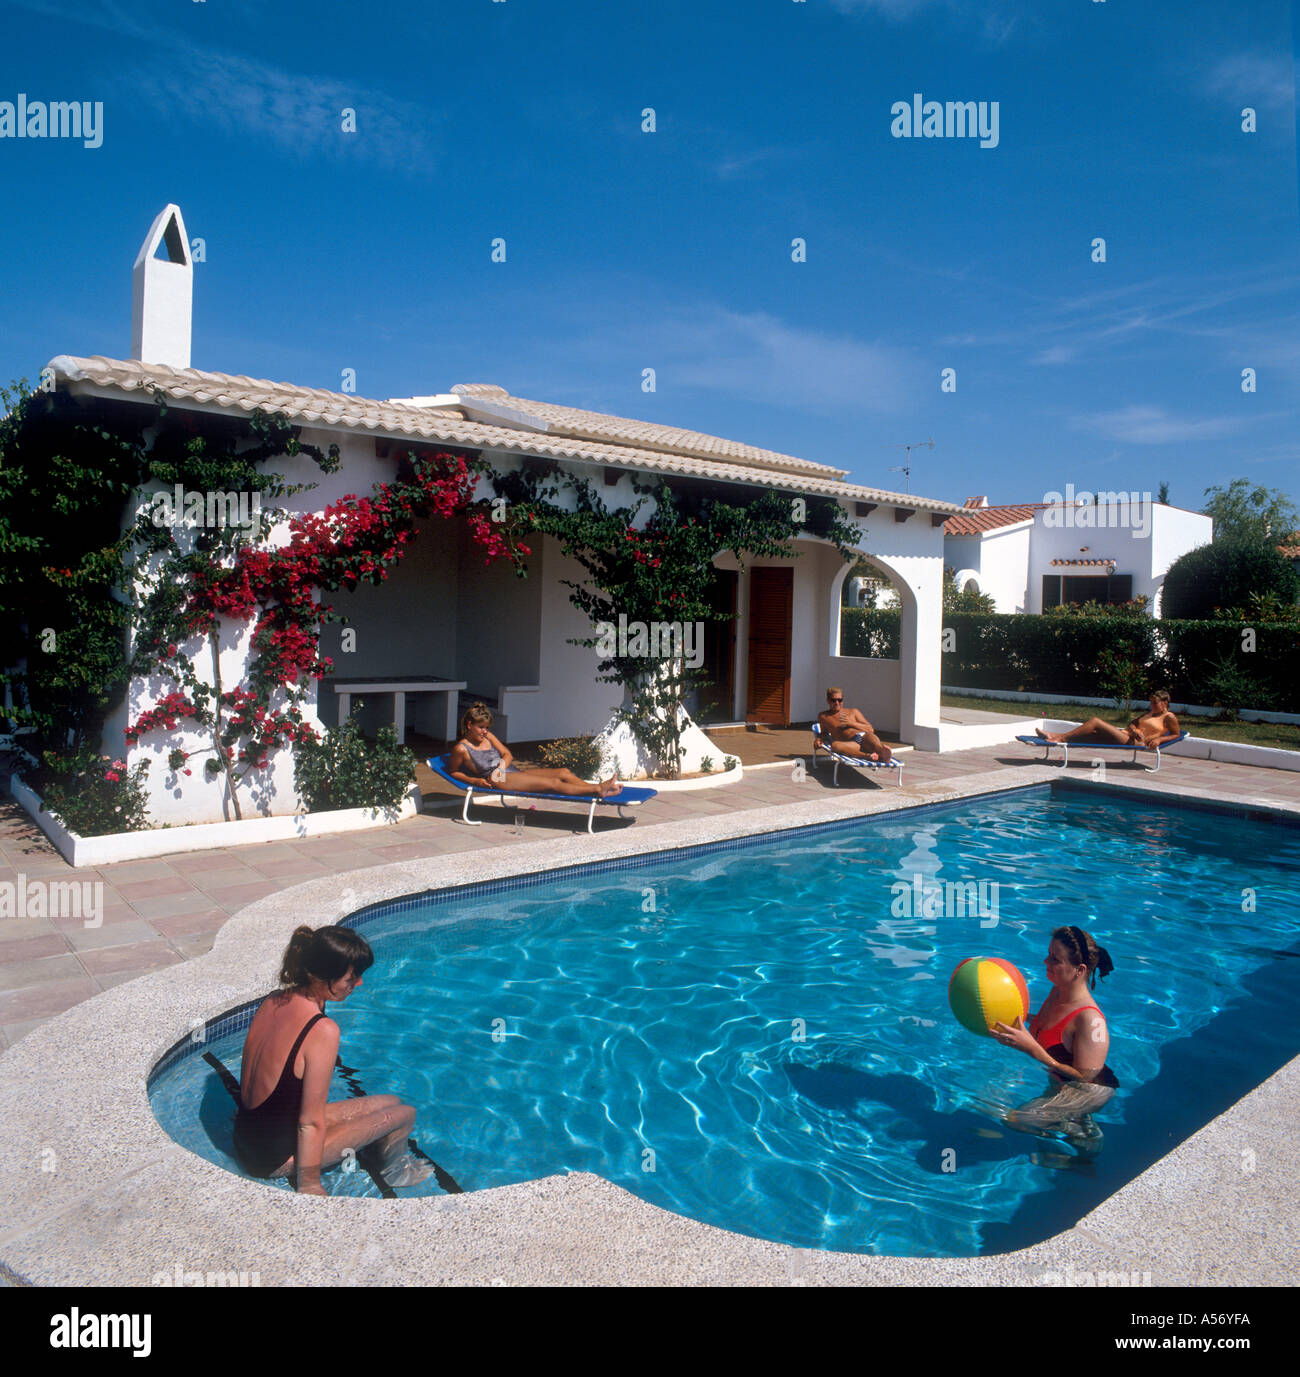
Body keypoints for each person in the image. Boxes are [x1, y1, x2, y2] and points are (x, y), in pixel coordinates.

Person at [233, 924, 433, 1194]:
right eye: (352, 977)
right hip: (273, 1158)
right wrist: (310, 1183)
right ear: (324, 975)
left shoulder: (275, 1000)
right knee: (405, 1115)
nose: (359, 983)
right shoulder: (321, 1029)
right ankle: (395, 1173)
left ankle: (371, 1146)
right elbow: (310, 1122)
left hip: (249, 1138)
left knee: (390, 1102)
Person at [991, 925, 1119, 1154]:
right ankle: (1075, 1122)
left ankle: (1082, 1134)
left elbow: (1086, 1077)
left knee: (1016, 1120)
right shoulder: (1057, 991)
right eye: (1049, 954)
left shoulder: (1090, 1020)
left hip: (1086, 1090)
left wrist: (1032, 1049)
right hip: (1060, 1080)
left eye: (1054, 959)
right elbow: (1044, 1025)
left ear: (1079, 970)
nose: (1045, 962)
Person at [448, 702, 621, 797]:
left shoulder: (488, 736)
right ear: (469, 725)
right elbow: (454, 772)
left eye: (486, 727)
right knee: (553, 784)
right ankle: (597, 790)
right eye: (481, 727)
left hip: (509, 772)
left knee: (563, 772)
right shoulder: (461, 749)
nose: (485, 731)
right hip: (497, 780)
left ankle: (598, 789)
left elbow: (508, 754)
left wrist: (501, 766)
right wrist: (475, 781)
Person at [1035, 690, 1180, 751]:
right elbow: (1131, 724)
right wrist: (1134, 729)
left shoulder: (1169, 717)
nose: (1151, 705)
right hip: (1126, 734)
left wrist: (1159, 740)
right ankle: (1054, 735)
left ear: (1165, 704)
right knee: (1092, 732)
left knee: (1095, 722)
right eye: (1151, 702)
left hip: (1134, 742)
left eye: (1155, 703)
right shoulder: (1149, 713)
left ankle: (1060, 738)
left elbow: (1176, 734)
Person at [816, 686, 893, 763]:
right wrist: (818, 739)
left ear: (843, 700)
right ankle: (868, 756)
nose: (837, 703)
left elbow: (870, 729)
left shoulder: (853, 712)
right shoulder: (823, 716)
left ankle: (883, 753)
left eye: (840, 700)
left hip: (864, 737)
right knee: (835, 746)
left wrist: (850, 723)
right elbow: (823, 733)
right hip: (851, 744)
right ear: (828, 700)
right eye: (833, 700)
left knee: (874, 743)